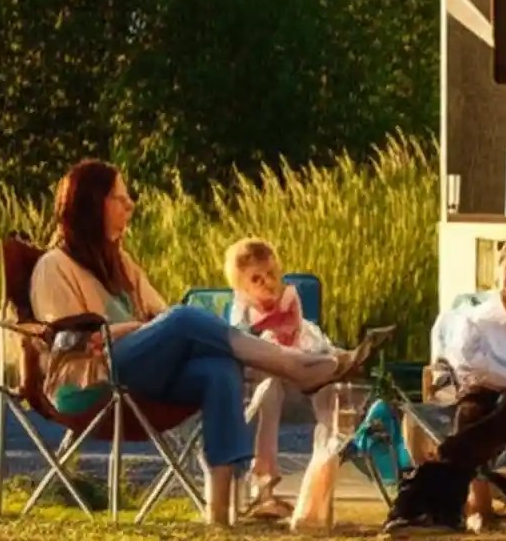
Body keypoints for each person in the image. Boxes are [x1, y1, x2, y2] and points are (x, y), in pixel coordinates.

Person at [28, 159, 388, 525]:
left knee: (218, 369)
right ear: (94, 204)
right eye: (120, 197)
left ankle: (219, 513)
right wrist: (141, 327)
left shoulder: (119, 263)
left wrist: (149, 327)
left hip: (140, 374)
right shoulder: (53, 266)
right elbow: (73, 344)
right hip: (90, 384)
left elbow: (160, 315)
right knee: (184, 319)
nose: (130, 204)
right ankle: (294, 365)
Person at [382, 235, 506, 533]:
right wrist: (496, 382)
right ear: (498, 278)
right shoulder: (478, 320)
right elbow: (468, 373)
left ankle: (420, 495)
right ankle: (446, 510)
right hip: (480, 402)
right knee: (471, 408)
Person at [222, 236, 338, 518]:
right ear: (241, 286)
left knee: (330, 384)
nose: (267, 283)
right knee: (269, 389)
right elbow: (238, 341)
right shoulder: (241, 309)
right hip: (267, 381)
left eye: (271, 274)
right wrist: (252, 312)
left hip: (304, 371)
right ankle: (264, 488)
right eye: (256, 280)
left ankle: (320, 483)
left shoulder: (288, 295)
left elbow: (291, 329)